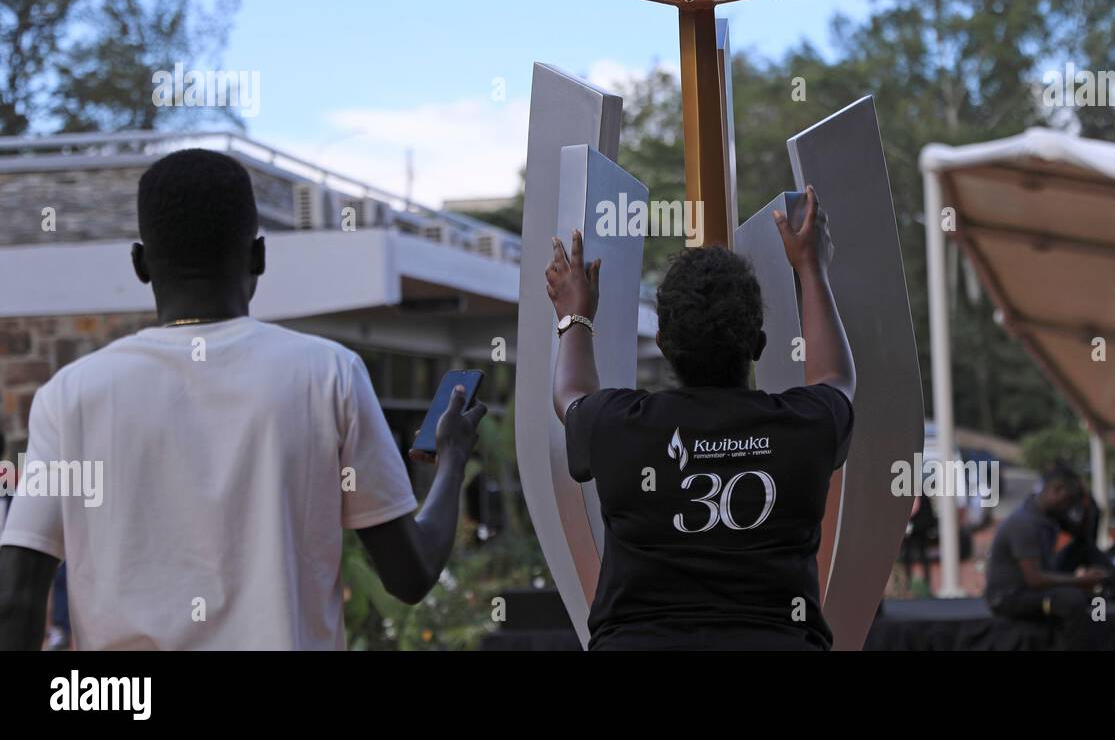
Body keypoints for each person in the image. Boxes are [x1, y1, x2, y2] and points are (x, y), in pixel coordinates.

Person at [0, 149, 483, 650]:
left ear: (141, 264)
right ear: (259, 257)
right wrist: (451, 458)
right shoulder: (329, 374)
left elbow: (15, 598)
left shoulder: (69, 396)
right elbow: (410, 575)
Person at [548, 184, 855, 650]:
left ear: (664, 346)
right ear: (758, 344)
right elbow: (835, 378)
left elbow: (570, 394)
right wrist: (812, 268)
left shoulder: (619, 425)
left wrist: (575, 315)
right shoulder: (803, 425)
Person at [984, 464, 1110, 649]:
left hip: (1036, 585)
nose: (1069, 508)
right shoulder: (1024, 523)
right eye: (1069, 501)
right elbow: (1035, 580)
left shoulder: (1049, 515)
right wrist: (1079, 581)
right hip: (1011, 597)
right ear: (1056, 491)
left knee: (1084, 554)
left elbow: (1084, 536)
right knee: (1072, 600)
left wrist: (1086, 499)